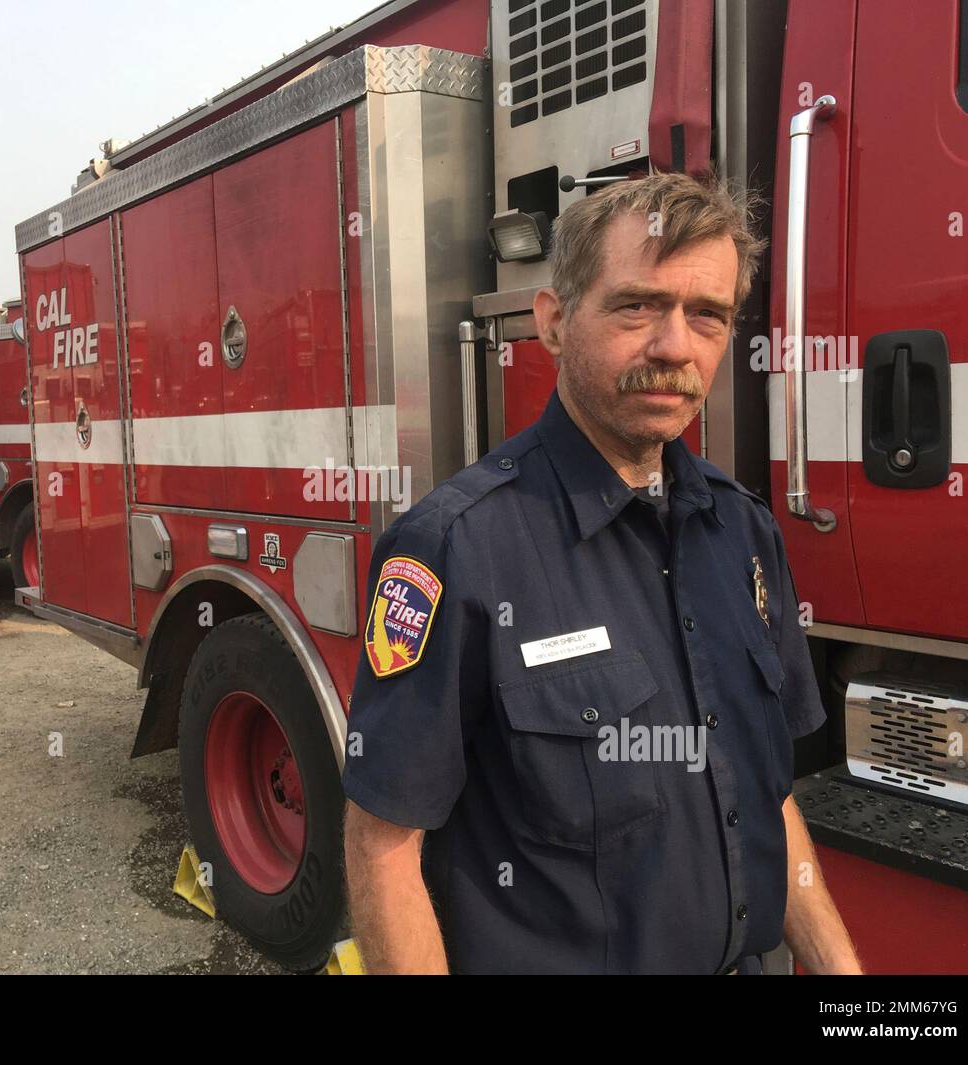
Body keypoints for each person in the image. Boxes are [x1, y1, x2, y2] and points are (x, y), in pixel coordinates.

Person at [342, 172, 862, 975]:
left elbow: (765, 794)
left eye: (708, 316)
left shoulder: (745, 532)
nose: (675, 346)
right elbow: (383, 847)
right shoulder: (454, 549)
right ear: (552, 321)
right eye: (638, 305)